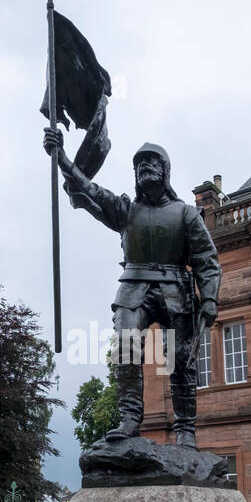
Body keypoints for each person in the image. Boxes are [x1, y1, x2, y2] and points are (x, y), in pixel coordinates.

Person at [43, 128, 221, 448]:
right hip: (133, 288)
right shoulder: (126, 210)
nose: (144, 168)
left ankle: (185, 430)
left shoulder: (185, 214)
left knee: (180, 359)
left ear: (165, 170)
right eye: (139, 164)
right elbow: (89, 189)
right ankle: (129, 419)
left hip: (176, 290)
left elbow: (207, 260)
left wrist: (209, 297)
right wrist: (62, 158)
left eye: (152, 162)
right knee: (125, 349)